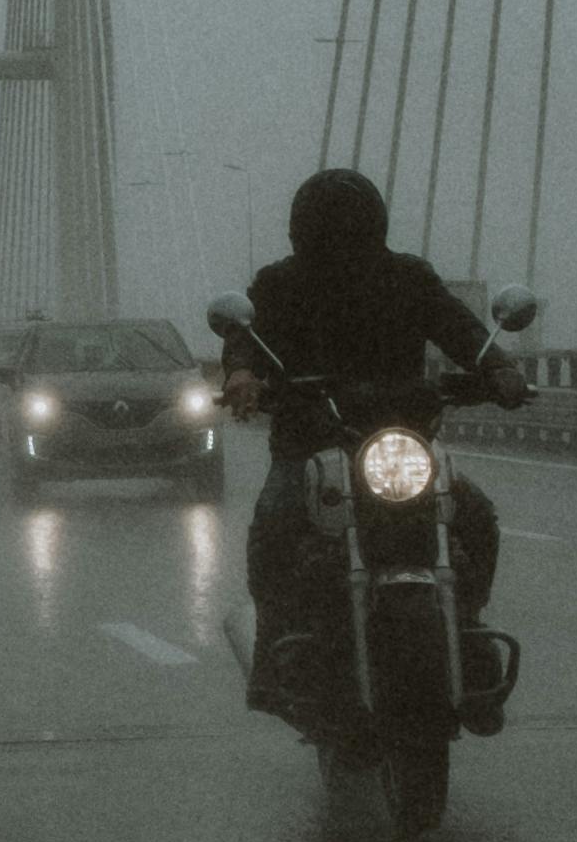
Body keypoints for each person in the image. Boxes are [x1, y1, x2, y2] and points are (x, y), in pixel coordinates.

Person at [221, 164, 529, 724]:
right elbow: (247, 339)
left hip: (399, 445)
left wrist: (500, 367)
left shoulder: (408, 277)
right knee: (275, 520)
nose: (341, 233)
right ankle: (273, 655)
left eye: (351, 222)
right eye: (330, 223)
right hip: (310, 447)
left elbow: (459, 329)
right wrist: (242, 376)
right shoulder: (280, 285)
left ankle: (468, 624)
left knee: (475, 514)